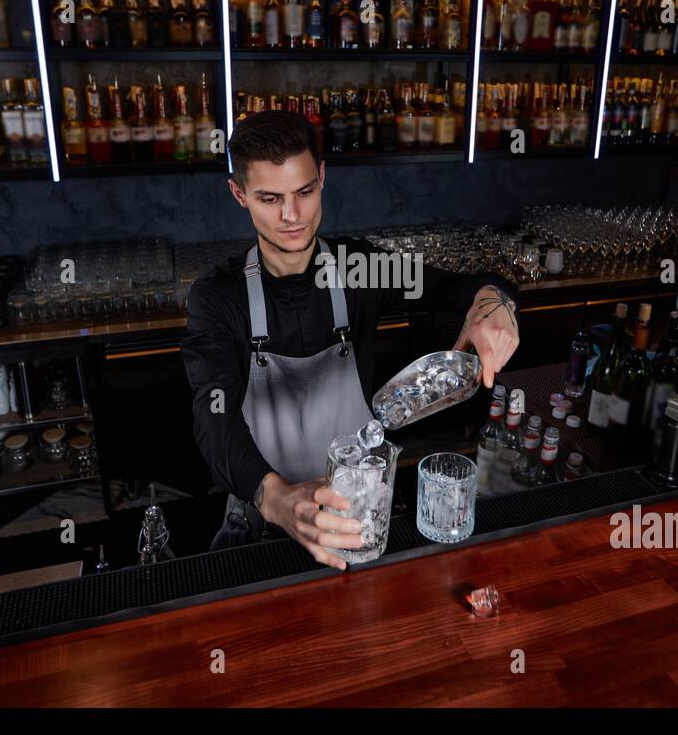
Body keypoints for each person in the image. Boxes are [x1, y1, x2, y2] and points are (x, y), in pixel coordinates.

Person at [181, 110, 519, 569]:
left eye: (305, 192)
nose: (291, 216)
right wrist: (275, 495)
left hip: (361, 513)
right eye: (269, 198)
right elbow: (212, 412)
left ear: (322, 176)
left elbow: (465, 285)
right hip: (264, 520)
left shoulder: (359, 267)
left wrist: (493, 304)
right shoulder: (219, 297)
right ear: (239, 194)